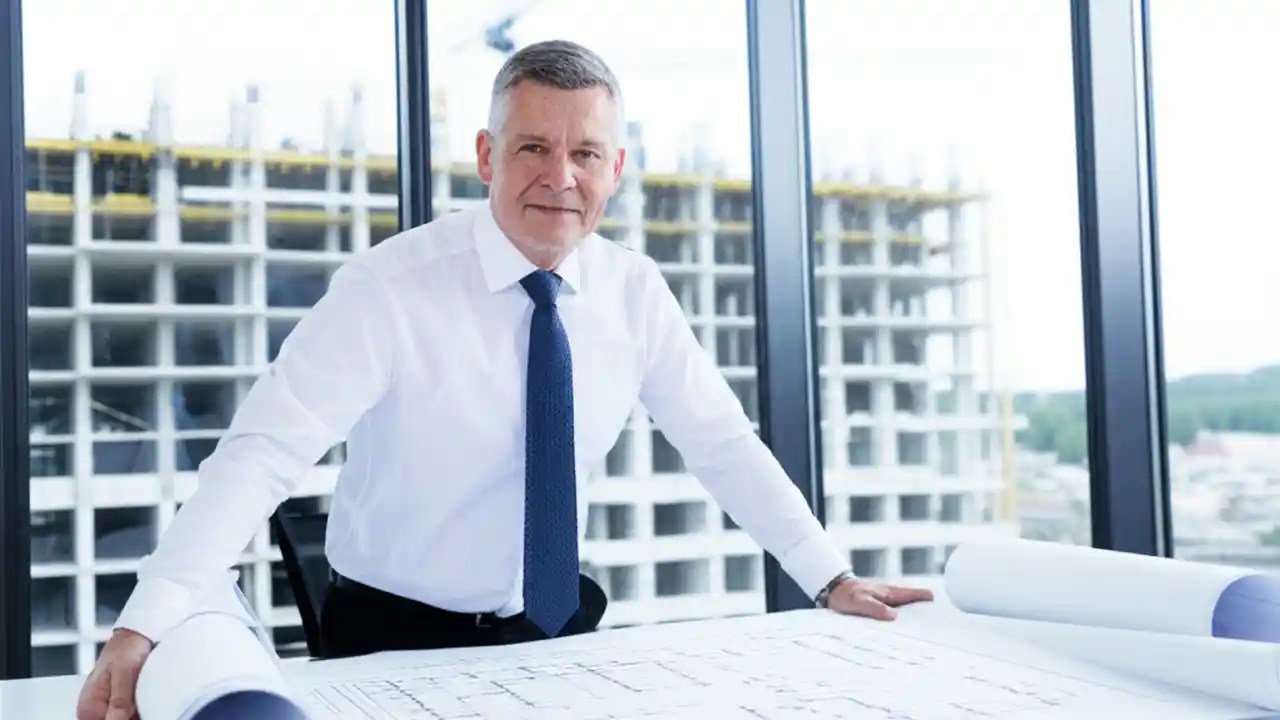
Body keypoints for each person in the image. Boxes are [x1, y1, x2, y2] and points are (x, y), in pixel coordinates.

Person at [76, 39, 933, 720]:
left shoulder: (634, 290)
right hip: (390, 638)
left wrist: (830, 577)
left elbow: (721, 442)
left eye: (585, 153)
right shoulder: (388, 289)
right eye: (533, 146)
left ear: (616, 170)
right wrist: (142, 625)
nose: (560, 177)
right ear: (487, 155)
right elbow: (261, 455)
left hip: (554, 634)